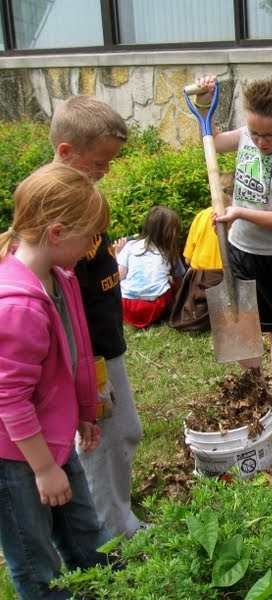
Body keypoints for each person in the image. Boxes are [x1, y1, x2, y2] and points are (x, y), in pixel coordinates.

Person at [0, 163, 112, 600]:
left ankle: (107, 588)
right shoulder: (18, 307)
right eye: (90, 238)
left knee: (85, 531)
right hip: (16, 457)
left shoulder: (61, 278)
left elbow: (74, 353)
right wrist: (44, 469)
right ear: (58, 233)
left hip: (54, 439)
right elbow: (9, 400)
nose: (92, 249)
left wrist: (83, 412)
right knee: (35, 558)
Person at [50, 95, 145, 538]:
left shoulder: (81, 195)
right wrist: (83, 365)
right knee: (102, 440)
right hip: (89, 354)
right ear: (67, 152)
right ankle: (113, 536)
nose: (106, 169)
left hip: (106, 343)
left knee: (124, 431)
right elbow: (61, 295)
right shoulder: (59, 209)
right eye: (100, 161)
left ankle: (118, 513)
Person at [191, 75, 272, 425]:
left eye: (269, 135)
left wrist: (238, 212)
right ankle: (256, 389)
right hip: (239, 249)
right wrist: (204, 103)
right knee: (240, 326)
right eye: (254, 133)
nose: (260, 141)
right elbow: (212, 141)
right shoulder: (247, 135)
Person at [169, 173, 232, 333]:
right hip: (225, 280)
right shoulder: (240, 217)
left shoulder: (201, 216)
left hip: (198, 283)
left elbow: (187, 260)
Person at [117, 206, 185, 328]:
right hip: (154, 308)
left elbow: (119, 277)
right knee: (172, 281)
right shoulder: (170, 252)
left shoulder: (130, 246)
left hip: (126, 306)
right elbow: (179, 283)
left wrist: (118, 254)